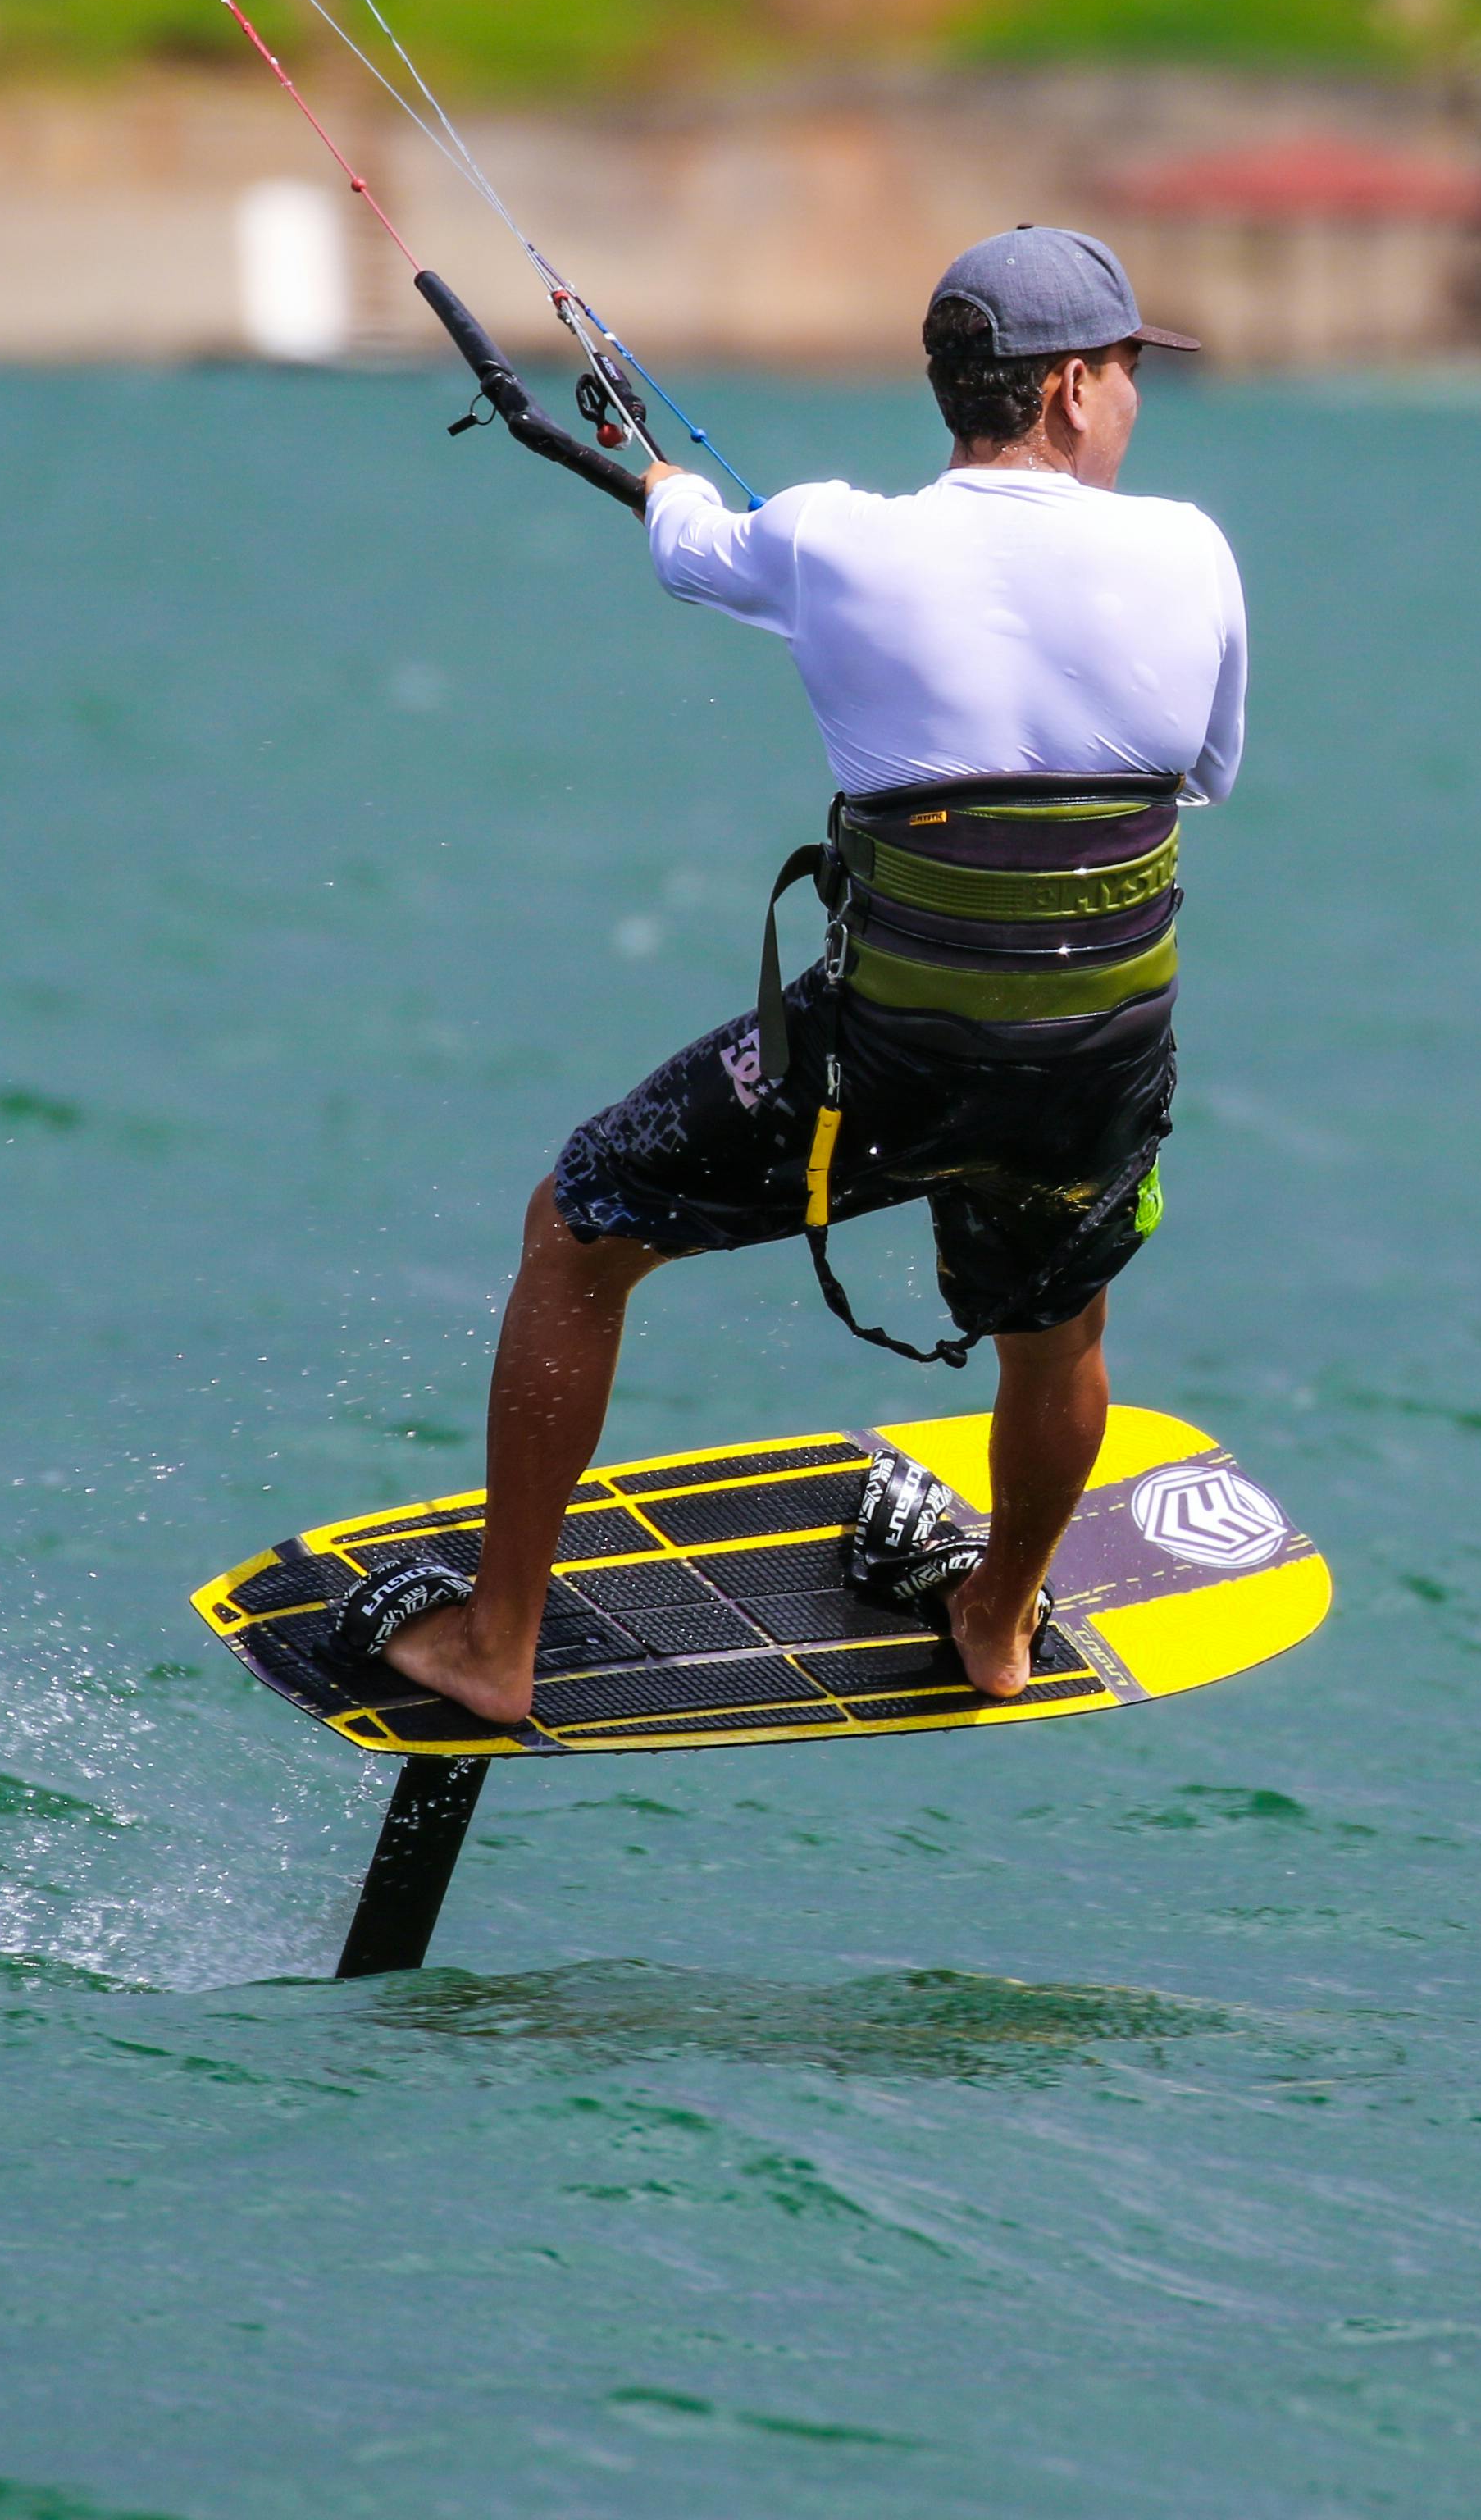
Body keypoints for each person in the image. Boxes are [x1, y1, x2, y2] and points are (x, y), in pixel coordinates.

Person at [354, 227, 1246, 1722]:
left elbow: (689, 546)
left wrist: (666, 478)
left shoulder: (834, 539)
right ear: (1077, 388)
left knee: (577, 1228)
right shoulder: (1193, 550)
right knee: (1058, 1317)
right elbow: (1200, 773)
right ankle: (1001, 1616)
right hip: (1098, 1062)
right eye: (1129, 377)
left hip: (886, 1061)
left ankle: (496, 1645)